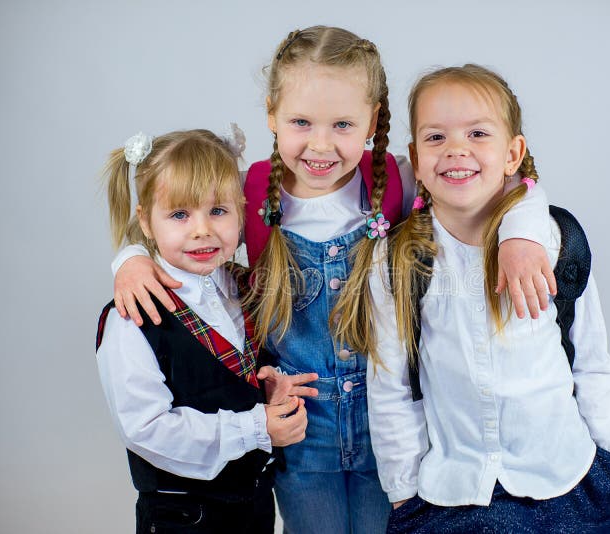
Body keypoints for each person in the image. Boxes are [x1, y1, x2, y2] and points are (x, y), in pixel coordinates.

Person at [110, 27, 555, 534]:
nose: (320, 145)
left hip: (388, 426)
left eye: (343, 124)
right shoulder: (253, 187)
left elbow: (511, 188)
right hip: (301, 432)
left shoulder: (394, 178)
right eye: (301, 122)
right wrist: (129, 257)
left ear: (371, 123)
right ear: (272, 115)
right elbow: (186, 221)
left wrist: (522, 238)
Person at [365, 64, 610, 533]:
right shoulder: (398, 260)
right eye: (436, 137)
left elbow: (591, 359)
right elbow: (391, 389)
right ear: (413, 154)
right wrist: (404, 491)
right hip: (456, 490)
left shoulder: (553, 240)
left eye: (477, 133)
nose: (456, 149)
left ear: (513, 153)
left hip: (568, 474)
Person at [95, 128, 318, 533]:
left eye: (218, 211)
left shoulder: (237, 286)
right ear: (145, 220)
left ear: (241, 210)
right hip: (184, 518)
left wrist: (265, 388)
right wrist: (256, 426)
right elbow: (146, 430)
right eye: (180, 214)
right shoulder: (132, 317)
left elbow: (226, 377)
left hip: (252, 507)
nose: (202, 230)